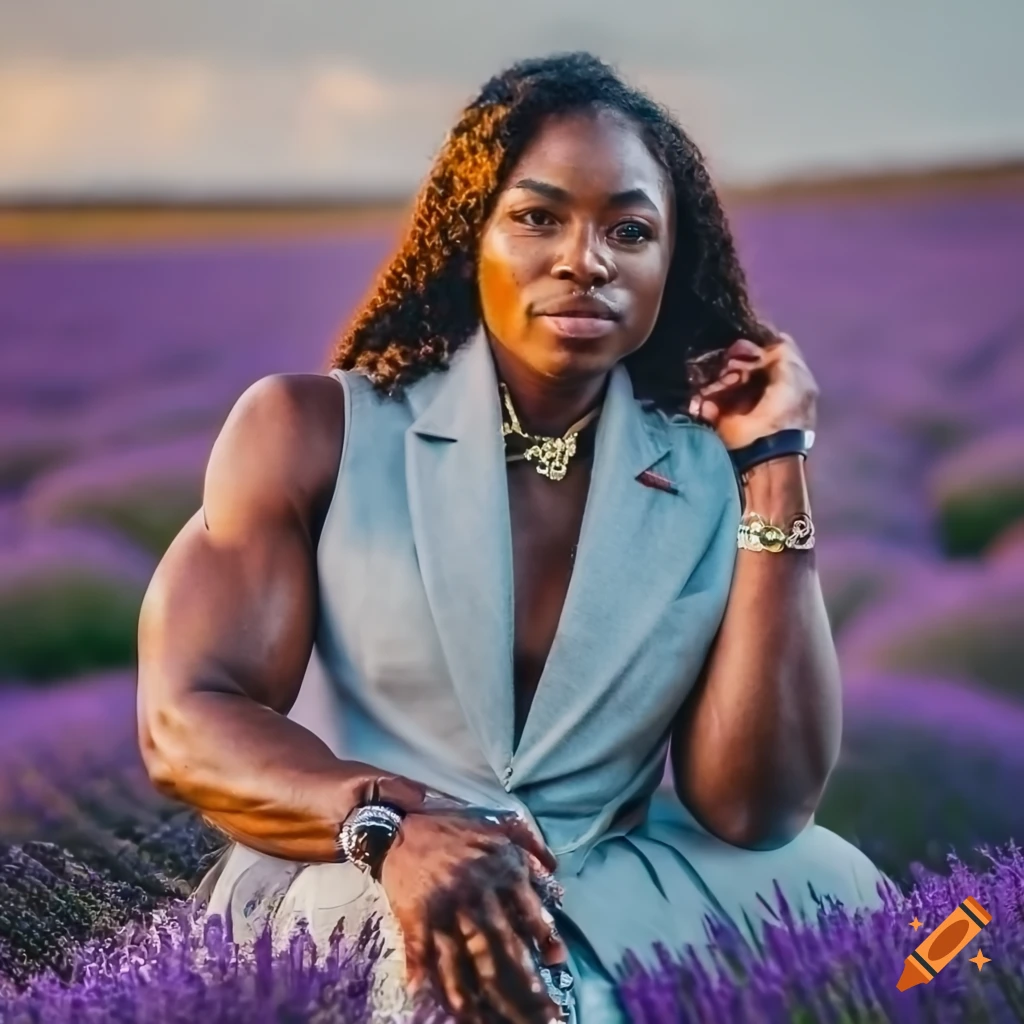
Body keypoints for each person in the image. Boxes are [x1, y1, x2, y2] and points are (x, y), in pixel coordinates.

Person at [136, 52, 891, 1024]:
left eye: (630, 229)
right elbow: (185, 717)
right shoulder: (309, 430)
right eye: (537, 217)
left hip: (626, 894)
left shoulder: (710, 469)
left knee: (910, 969)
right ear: (469, 236)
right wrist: (385, 828)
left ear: (671, 264)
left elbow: (754, 808)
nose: (586, 257)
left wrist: (775, 460)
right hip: (362, 873)